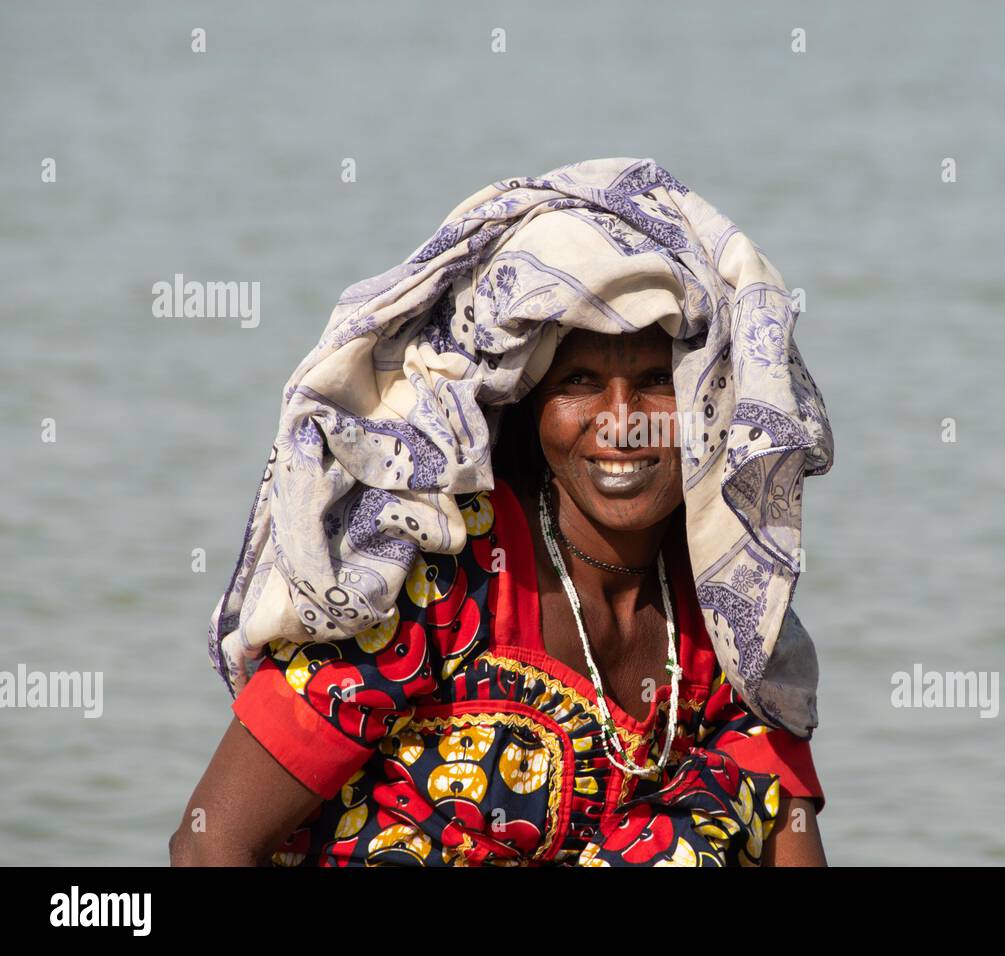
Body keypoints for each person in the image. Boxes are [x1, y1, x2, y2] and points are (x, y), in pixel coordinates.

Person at [171, 157, 834, 866]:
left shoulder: (728, 623)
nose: (622, 422)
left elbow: (788, 834)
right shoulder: (434, 580)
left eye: (654, 384)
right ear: (532, 405)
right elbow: (212, 842)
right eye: (579, 382)